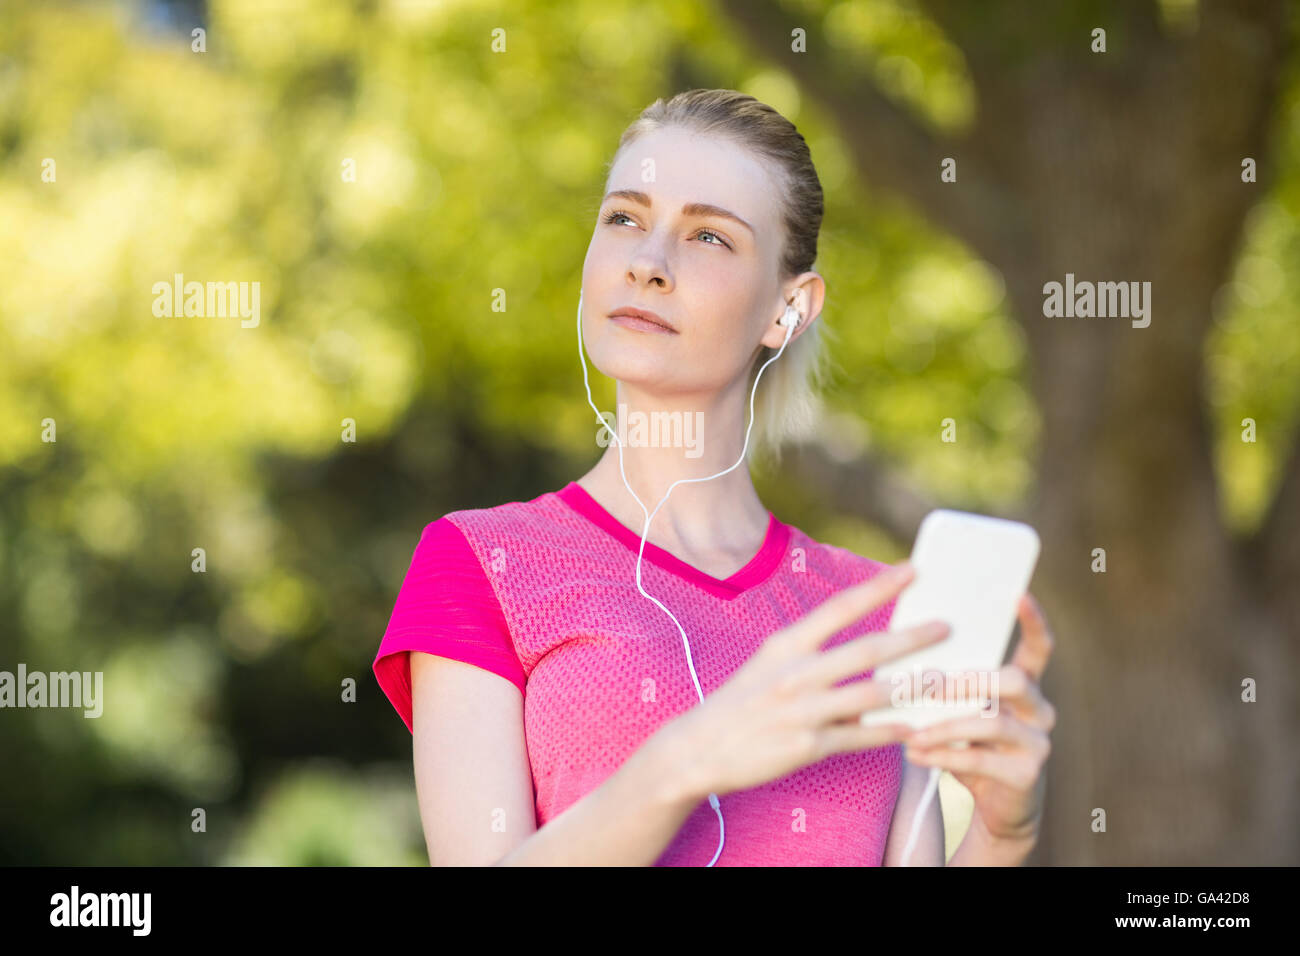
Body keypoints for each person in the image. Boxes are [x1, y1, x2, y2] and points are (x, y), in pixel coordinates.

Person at [372, 89, 1056, 866]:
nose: (648, 263)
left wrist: (1004, 834)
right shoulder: (483, 563)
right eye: (624, 218)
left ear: (788, 310)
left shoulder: (867, 613)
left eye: (708, 236)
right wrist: (688, 761)